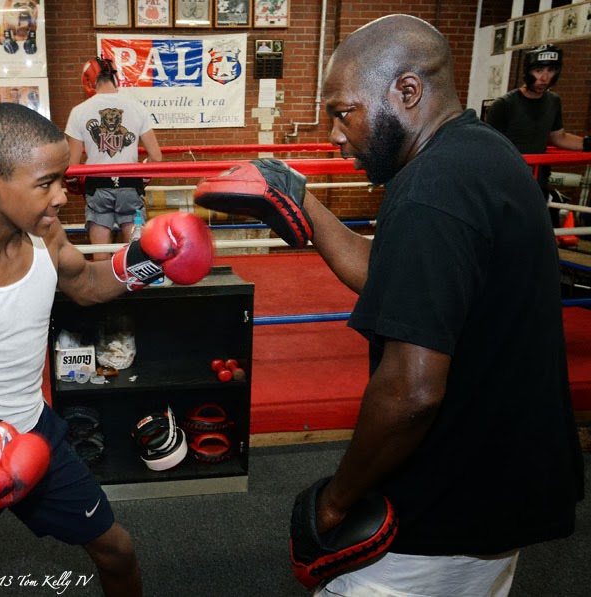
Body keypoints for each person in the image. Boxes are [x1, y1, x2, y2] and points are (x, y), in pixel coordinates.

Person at [195, 14, 584, 596]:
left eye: (343, 112)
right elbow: (397, 276)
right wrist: (304, 204)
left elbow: (411, 391)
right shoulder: (480, 153)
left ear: (406, 90)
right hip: (496, 481)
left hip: (439, 516)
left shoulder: (431, 190)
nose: (334, 134)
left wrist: (336, 499)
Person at [0, 102, 212, 595]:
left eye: (63, 179)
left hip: (37, 431)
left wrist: (149, 259)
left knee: (117, 551)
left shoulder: (46, 234)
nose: (61, 195)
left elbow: (88, 286)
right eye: (46, 183)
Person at [65, 57, 162, 262]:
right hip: (130, 183)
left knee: (101, 252)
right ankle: (131, 280)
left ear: (89, 79)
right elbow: (156, 156)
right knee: (133, 254)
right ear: (114, 77)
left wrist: (75, 184)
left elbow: (72, 165)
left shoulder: (79, 111)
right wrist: (143, 175)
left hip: (97, 185)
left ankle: (104, 282)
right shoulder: (137, 108)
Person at [484, 44, 590, 225]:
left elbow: (558, 137)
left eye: (551, 70)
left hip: (536, 180)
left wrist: (587, 144)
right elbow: (487, 147)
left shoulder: (553, 101)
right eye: (538, 70)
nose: (544, 78)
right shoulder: (504, 105)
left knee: (536, 229)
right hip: (506, 181)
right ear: (528, 71)